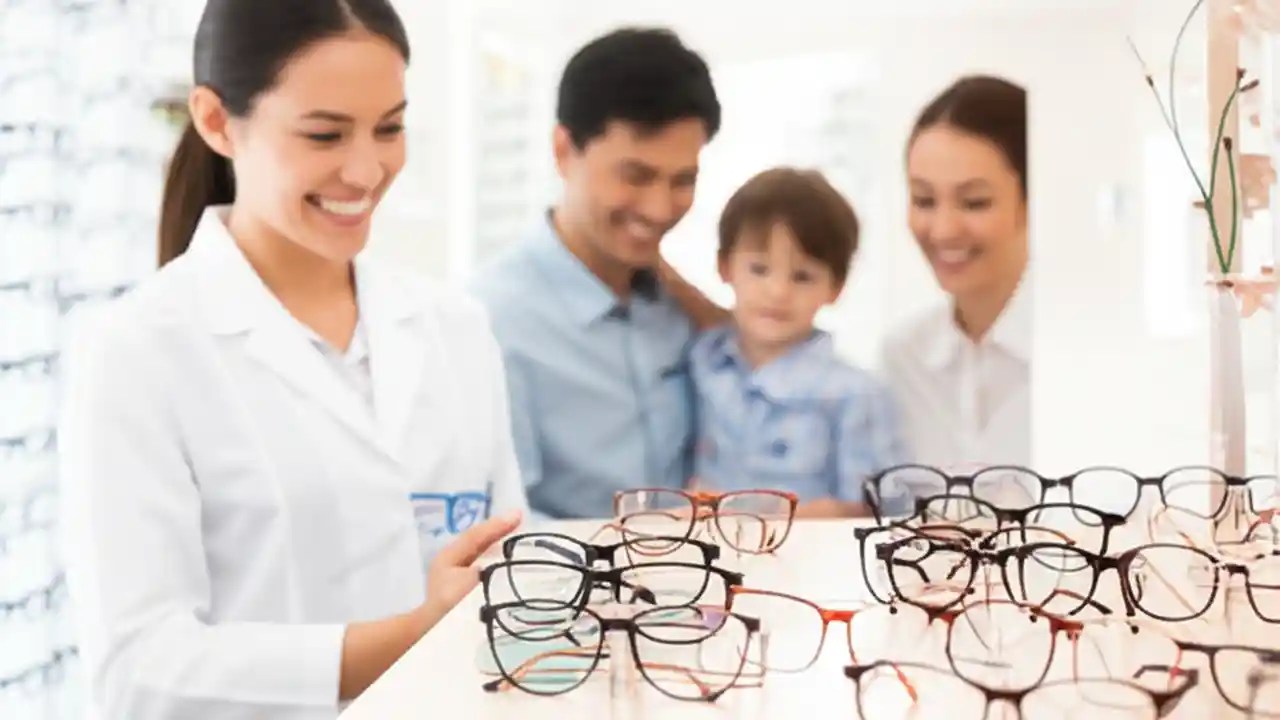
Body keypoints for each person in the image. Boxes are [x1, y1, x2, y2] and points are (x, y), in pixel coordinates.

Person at [57, 2, 527, 718]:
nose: (367, 169)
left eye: (390, 127)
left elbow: (503, 571)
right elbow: (139, 669)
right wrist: (407, 637)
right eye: (324, 134)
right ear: (217, 122)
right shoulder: (139, 351)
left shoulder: (454, 328)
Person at [470, 28, 722, 520]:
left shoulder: (678, 308)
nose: (658, 208)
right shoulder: (489, 321)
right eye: (636, 176)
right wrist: (643, 552)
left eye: (682, 180)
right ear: (564, 151)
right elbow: (498, 520)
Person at [689, 168, 906, 517]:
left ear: (836, 287)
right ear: (725, 267)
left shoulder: (854, 394)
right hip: (709, 559)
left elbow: (872, 509)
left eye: (803, 276)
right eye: (759, 269)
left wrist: (756, 518)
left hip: (809, 562)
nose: (778, 292)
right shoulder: (705, 361)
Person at [880, 75, 1030, 470]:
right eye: (924, 200)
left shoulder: (1084, 356)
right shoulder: (902, 359)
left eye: (974, 202)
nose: (944, 229)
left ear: (1032, 201)